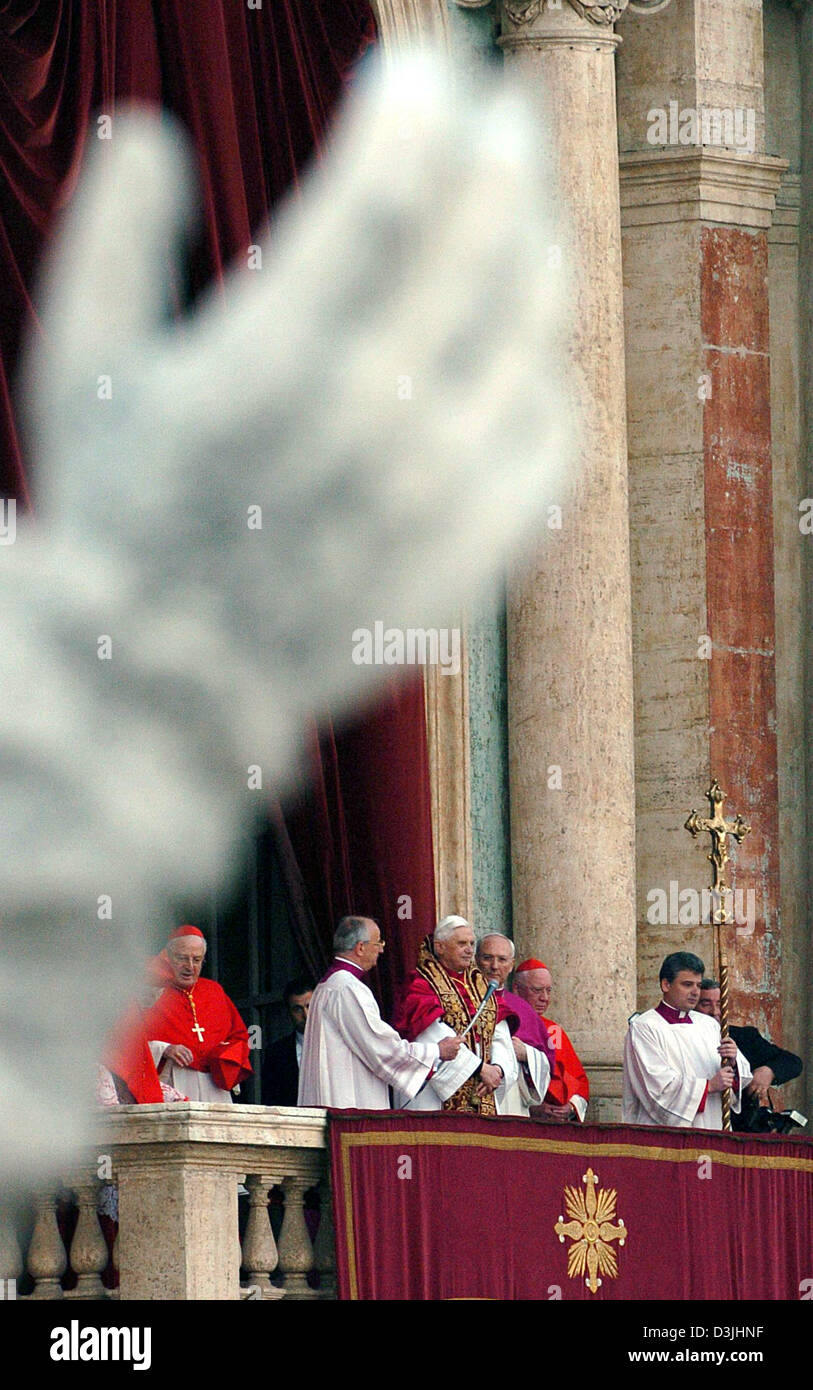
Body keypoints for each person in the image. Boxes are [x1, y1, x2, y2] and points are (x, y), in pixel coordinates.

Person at [298, 916, 462, 1108]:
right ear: (360, 948)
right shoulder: (348, 988)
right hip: (348, 1101)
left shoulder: (327, 985)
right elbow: (382, 1048)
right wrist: (436, 1050)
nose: (382, 949)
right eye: (378, 943)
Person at [391, 916, 518, 1114]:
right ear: (440, 947)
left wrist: (497, 1070)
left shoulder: (481, 983)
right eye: (461, 944)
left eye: (471, 944)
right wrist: (479, 1069)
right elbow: (431, 1034)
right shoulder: (420, 983)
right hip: (433, 1097)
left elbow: (499, 1033)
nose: (469, 950)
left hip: (480, 1091)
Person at [623, 951, 751, 1129]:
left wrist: (733, 1062)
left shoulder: (710, 1025)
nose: (695, 992)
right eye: (687, 984)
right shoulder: (645, 1027)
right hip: (666, 1136)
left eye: (698, 985)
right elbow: (657, 1088)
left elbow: (742, 1078)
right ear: (666, 984)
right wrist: (709, 1086)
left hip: (712, 1124)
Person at [141, 926, 252, 1102]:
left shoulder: (214, 991)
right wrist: (164, 1049)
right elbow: (129, 1042)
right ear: (167, 958)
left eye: (197, 960)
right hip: (174, 1079)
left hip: (214, 1085)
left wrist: (227, 1058)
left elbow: (240, 1036)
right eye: (182, 959)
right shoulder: (151, 994)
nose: (190, 967)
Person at [697, 978, 803, 1130]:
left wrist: (768, 1071)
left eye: (720, 1004)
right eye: (705, 1004)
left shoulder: (745, 1037)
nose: (715, 1012)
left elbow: (793, 1062)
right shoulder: (683, 1038)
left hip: (742, 1129)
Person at [475, 933, 552, 1115]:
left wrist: (527, 1054)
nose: (494, 966)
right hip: (472, 1088)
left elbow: (548, 1060)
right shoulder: (461, 999)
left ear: (511, 966)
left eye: (502, 960)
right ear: (476, 960)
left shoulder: (522, 1009)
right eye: (487, 958)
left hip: (511, 1097)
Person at [514, 958, 589, 1122]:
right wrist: (532, 1107)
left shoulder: (553, 1031)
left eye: (549, 990)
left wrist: (570, 1107)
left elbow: (578, 1079)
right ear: (517, 989)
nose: (545, 998)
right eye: (537, 990)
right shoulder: (507, 1024)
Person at [261, 978, 314, 1106]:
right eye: (298, 1009)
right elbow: (271, 1101)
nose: (306, 1015)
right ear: (289, 1013)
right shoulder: (276, 1053)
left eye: (309, 1006)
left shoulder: (337, 1046)